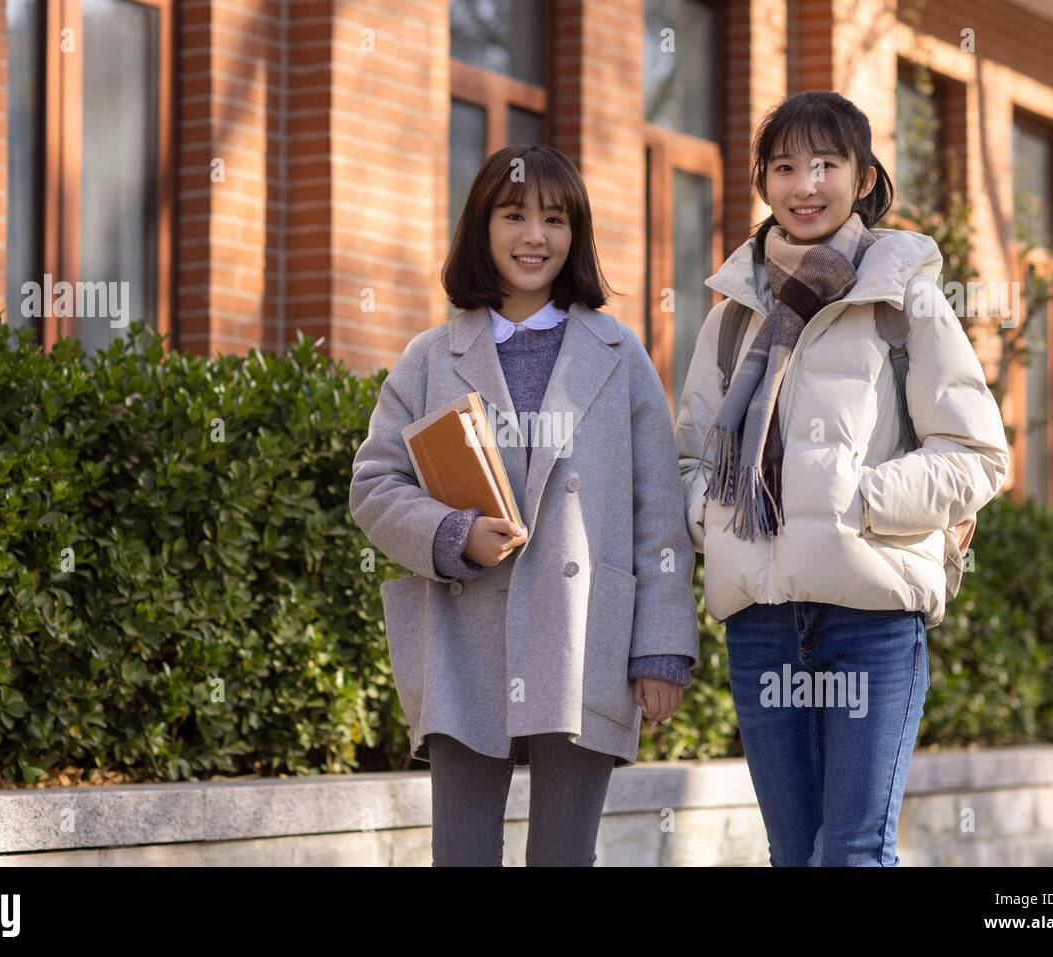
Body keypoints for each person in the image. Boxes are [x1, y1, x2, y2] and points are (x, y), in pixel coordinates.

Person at [675, 91, 1010, 866]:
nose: (805, 185)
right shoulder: (734, 311)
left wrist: (857, 502)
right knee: (794, 852)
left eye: (826, 164)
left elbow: (977, 452)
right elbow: (691, 457)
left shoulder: (906, 299)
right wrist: (717, 514)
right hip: (760, 620)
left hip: (872, 615)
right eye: (785, 167)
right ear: (763, 181)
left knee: (854, 850)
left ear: (862, 178)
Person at [350, 144, 698, 866]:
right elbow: (374, 486)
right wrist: (453, 533)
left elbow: (658, 513)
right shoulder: (428, 356)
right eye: (513, 215)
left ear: (577, 234)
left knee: (565, 856)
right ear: (481, 226)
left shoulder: (620, 353)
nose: (534, 235)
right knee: (463, 855)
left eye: (554, 218)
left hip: (584, 639)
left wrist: (662, 646)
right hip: (463, 634)